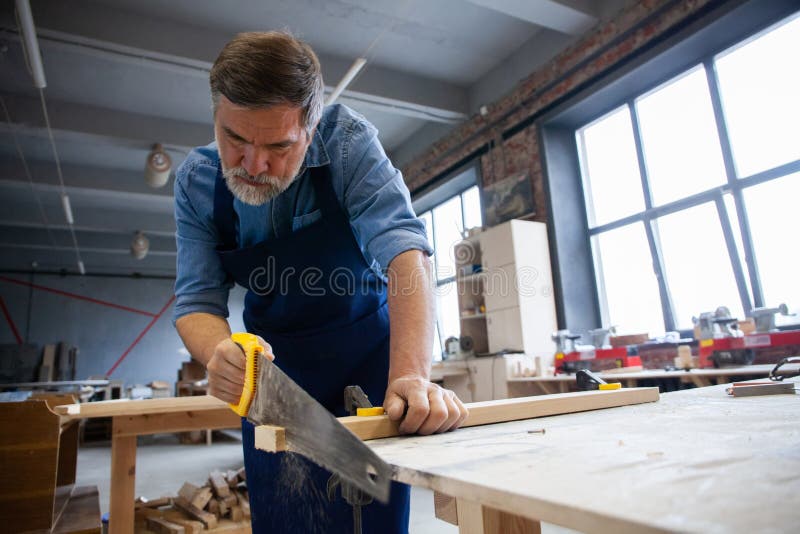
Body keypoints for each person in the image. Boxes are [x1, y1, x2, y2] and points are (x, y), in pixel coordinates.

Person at [172, 31, 469, 533]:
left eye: (278, 146)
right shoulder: (197, 183)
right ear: (216, 116)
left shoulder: (350, 144)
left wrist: (413, 375)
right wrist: (220, 353)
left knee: (371, 522)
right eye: (236, 139)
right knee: (283, 519)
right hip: (273, 375)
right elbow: (196, 302)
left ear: (312, 130)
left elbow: (405, 255)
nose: (254, 165)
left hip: (368, 367)